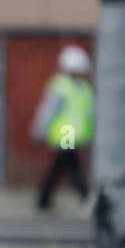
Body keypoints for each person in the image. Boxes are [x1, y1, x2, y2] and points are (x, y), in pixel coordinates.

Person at [29, 45, 94, 211]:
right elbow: (48, 111)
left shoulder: (84, 88)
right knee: (72, 166)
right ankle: (85, 197)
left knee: (60, 167)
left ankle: (43, 200)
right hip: (65, 134)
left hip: (73, 135)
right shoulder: (61, 86)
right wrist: (38, 130)